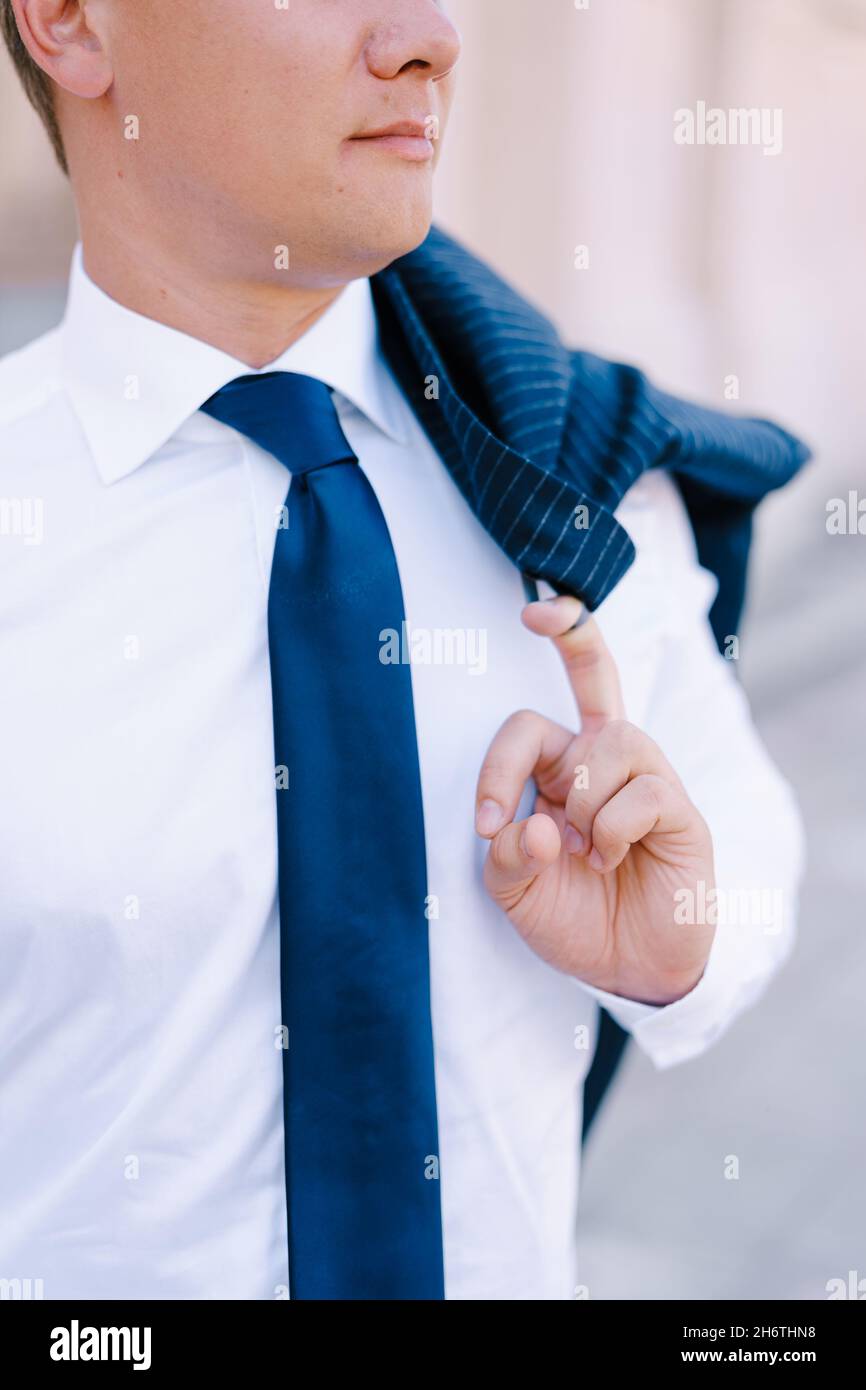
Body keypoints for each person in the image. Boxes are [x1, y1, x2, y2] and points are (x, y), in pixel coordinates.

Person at [0, 0, 808, 1301]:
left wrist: (679, 936)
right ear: (73, 24)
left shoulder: (561, 466)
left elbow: (753, 841)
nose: (428, 33)